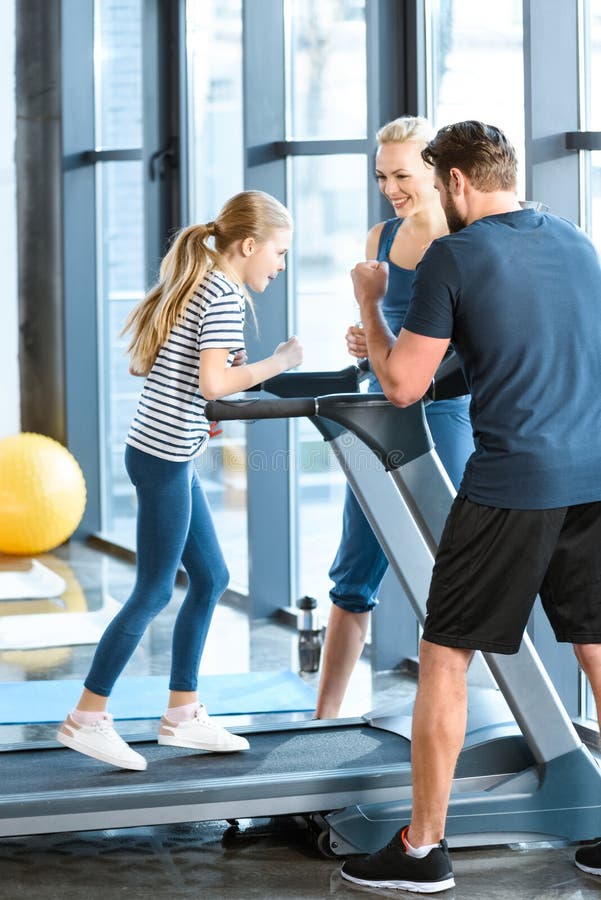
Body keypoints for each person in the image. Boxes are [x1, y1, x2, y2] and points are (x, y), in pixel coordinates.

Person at [339, 121, 601, 891]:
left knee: (446, 655)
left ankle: (421, 849)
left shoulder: (454, 254)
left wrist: (372, 306)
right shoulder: (575, 240)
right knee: (595, 647)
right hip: (591, 474)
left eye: (429, 183)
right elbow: (528, 345)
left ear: (454, 182)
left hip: (513, 482)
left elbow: (401, 386)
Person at [57, 190, 303, 771]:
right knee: (153, 591)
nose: (281, 265)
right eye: (280, 253)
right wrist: (280, 361)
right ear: (250, 246)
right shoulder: (222, 294)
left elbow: (195, 384)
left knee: (212, 577)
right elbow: (215, 384)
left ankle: (183, 714)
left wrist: (216, 403)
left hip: (166, 451)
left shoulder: (205, 284)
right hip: (165, 457)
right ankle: (87, 717)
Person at [315, 116, 474, 720]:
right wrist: (363, 337)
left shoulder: (465, 240)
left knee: (456, 562)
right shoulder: (380, 236)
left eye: (402, 176)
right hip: (378, 410)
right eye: (381, 177)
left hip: (444, 413)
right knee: (354, 568)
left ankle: (457, 711)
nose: (391, 189)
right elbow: (378, 325)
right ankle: (323, 718)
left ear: (436, 173)